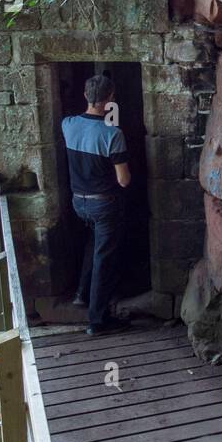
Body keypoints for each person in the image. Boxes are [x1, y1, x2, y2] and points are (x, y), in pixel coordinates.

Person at [62, 73, 132, 336]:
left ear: (85, 96)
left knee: (94, 245)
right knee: (105, 258)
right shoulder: (112, 134)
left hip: (78, 203)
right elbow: (123, 180)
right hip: (103, 205)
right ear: (110, 99)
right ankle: (98, 320)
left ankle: (81, 294)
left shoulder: (67, 124)